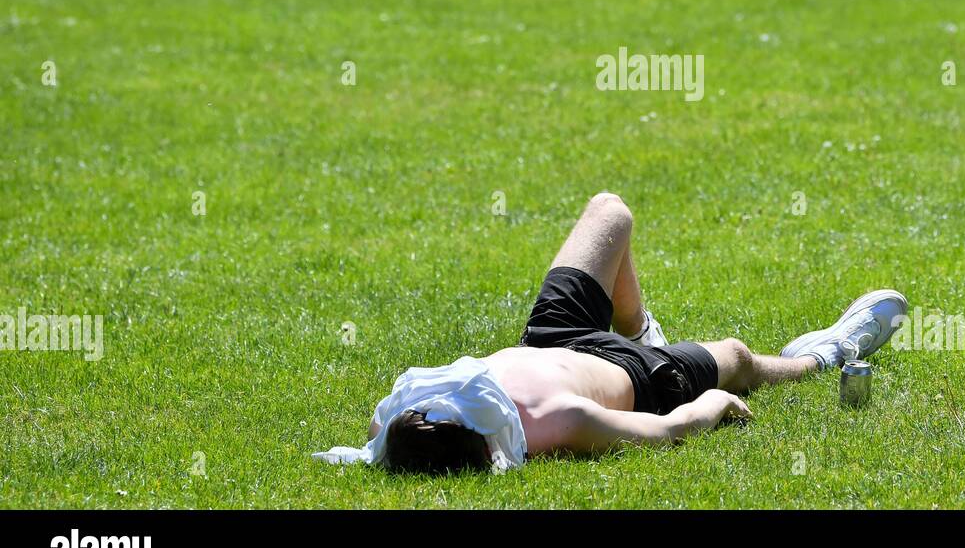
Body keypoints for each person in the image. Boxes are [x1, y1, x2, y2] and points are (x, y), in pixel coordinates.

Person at [314, 193, 909, 472]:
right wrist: (720, 401)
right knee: (737, 358)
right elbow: (669, 429)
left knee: (609, 212)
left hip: (550, 336)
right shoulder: (565, 422)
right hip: (641, 378)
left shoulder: (403, 414)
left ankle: (642, 327)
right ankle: (828, 353)